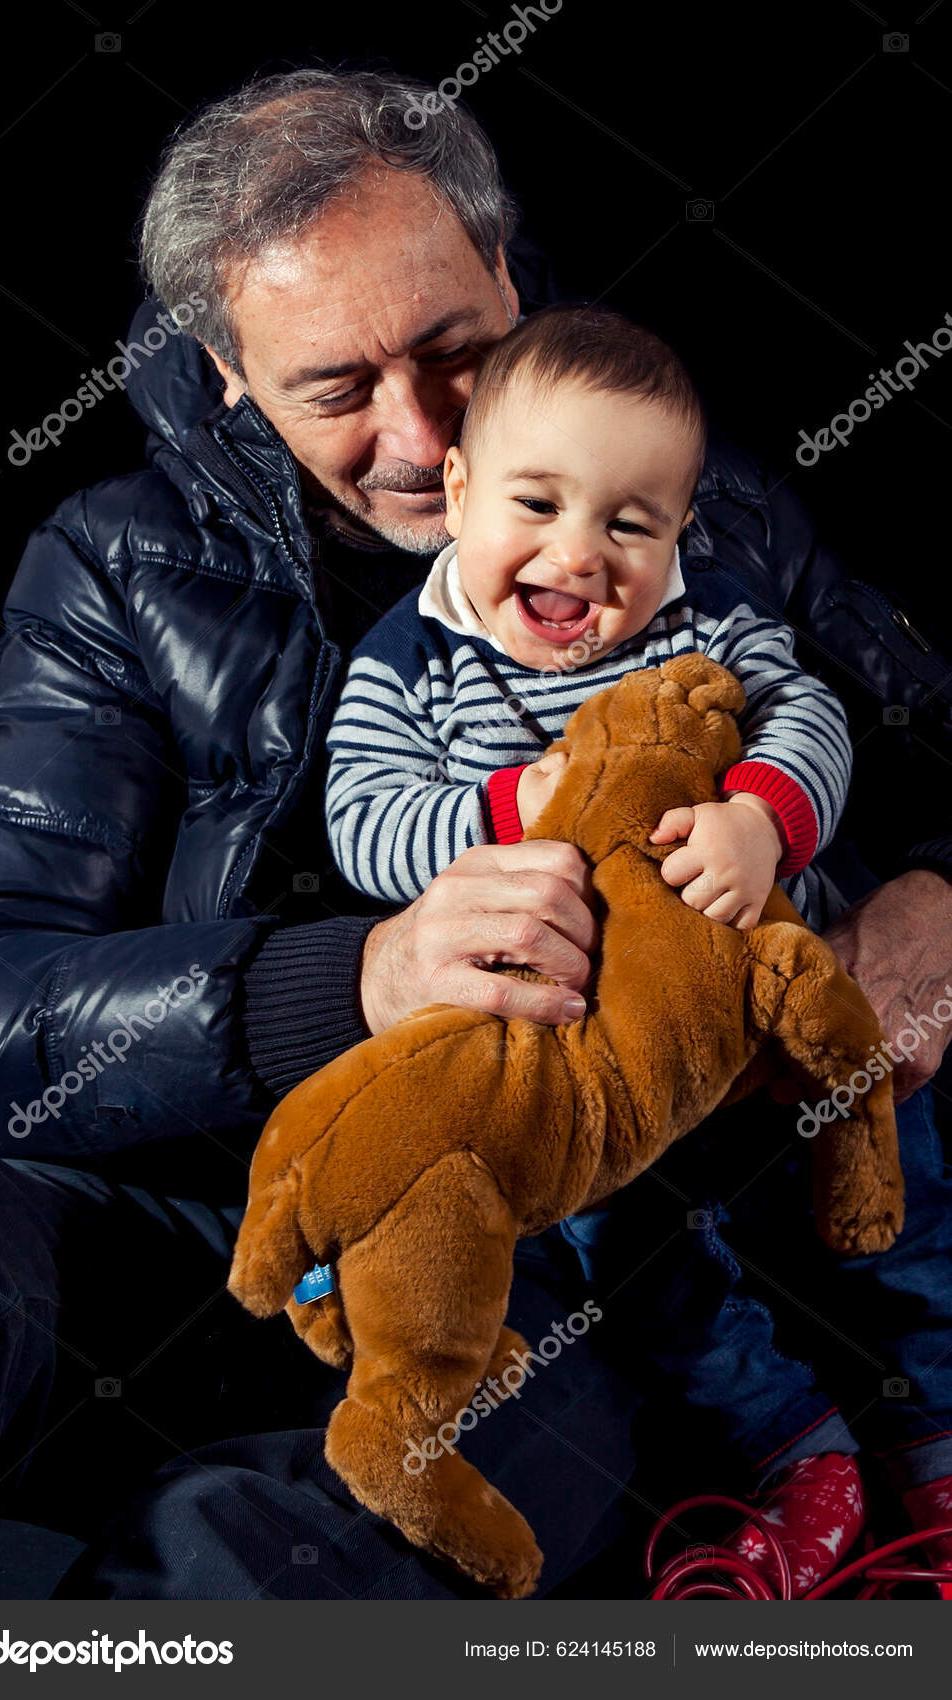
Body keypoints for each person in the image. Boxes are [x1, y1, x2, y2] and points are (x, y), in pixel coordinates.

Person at [0, 68, 948, 1600]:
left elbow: (908, 749)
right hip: (185, 1212)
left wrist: (935, 898)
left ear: (508, 268)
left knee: (288, 1550)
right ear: (226, 370)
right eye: (336, 387)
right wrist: (355, 980)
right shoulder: (113, 569)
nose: (422, 435)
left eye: (457, 348)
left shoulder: (682, 502)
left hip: (542, 1260)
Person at [321, 301, 952, 1595]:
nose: (579, 558)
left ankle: (935, 1438)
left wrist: (763, 821)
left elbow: (808, 717)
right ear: (457, 487)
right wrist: (508, 814)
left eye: (628, 522)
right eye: (536, 506)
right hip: (588, 1062)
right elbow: (365, 820)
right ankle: (799, 1459)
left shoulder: (708, 615)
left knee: (899, 1192)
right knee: (650, 1272)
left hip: (779, 994)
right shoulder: (412, 663)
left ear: (677, 526)